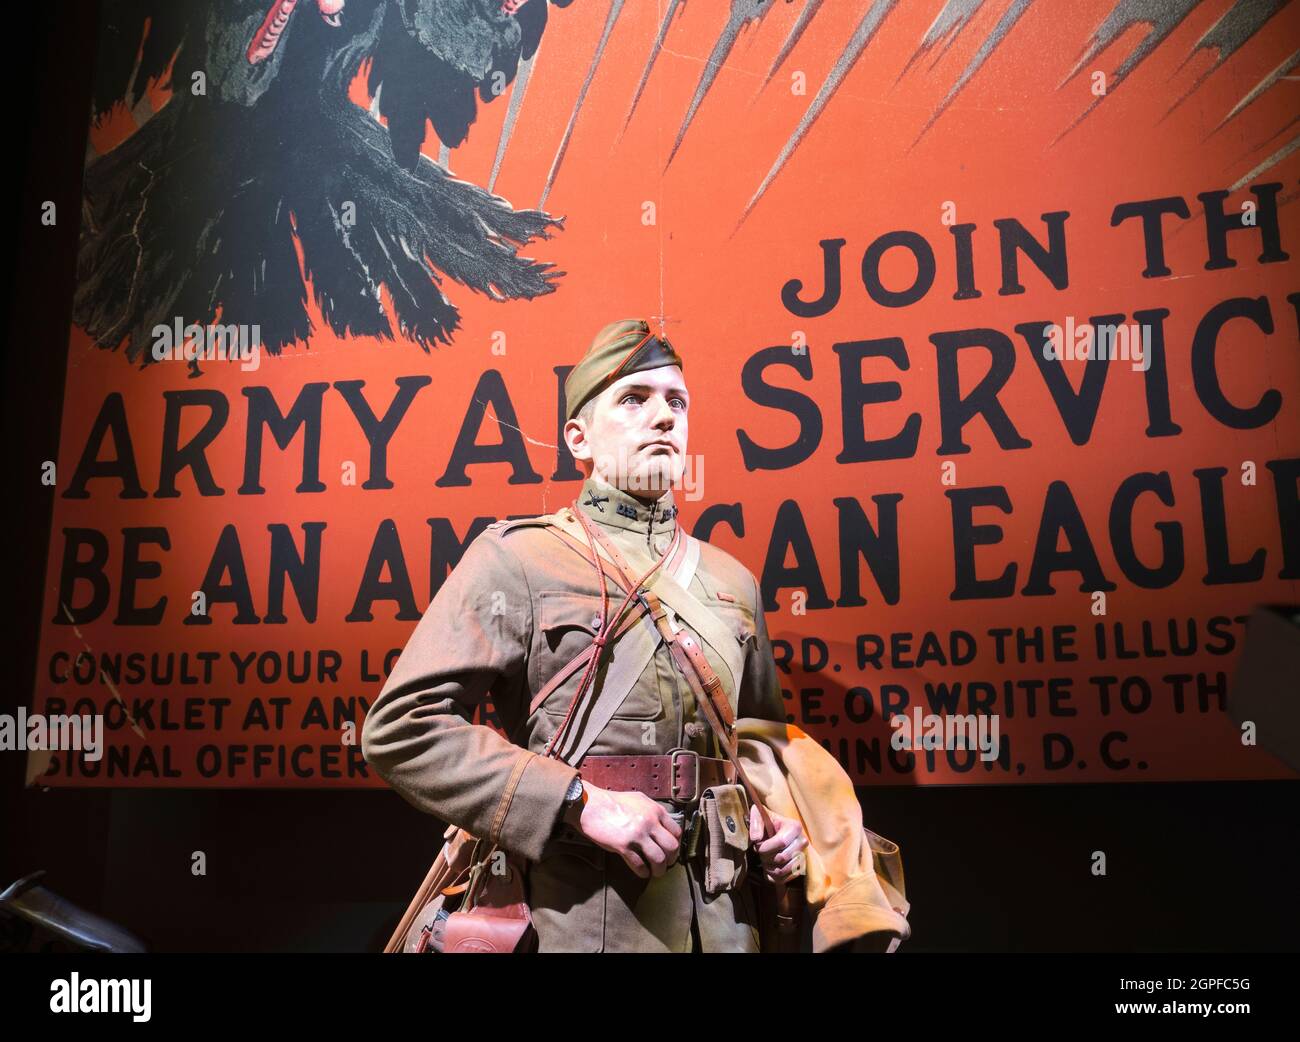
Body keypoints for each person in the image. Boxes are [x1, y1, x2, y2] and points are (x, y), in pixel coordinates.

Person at [362, 318, 807, 952]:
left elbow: (763, 746)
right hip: (580, 921)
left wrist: (781, 820)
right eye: (634, 399)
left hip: (727, 924)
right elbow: (400, 728)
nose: (663, 418)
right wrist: (577, 800)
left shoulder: (731, 583)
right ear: (580, 437)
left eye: (676, 402)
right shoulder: (517, 559)